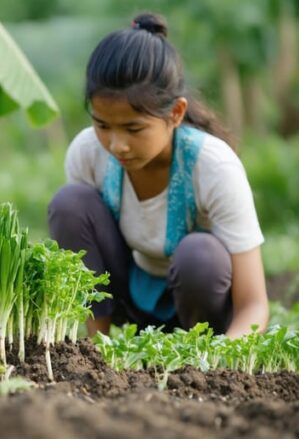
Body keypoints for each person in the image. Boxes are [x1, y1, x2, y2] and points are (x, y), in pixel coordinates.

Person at [48, 13, 268, 339]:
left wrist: (219, 362)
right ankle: (97, 346)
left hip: (203, 304)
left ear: (176, 114)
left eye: (134, 128)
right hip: (130, 296)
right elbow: (85, 244)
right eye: (103, 125)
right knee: (69, 203)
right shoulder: (88, 152)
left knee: (199, 256)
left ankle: (194, 351)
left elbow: (254, 305)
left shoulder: (212, 165)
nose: (116, 145)